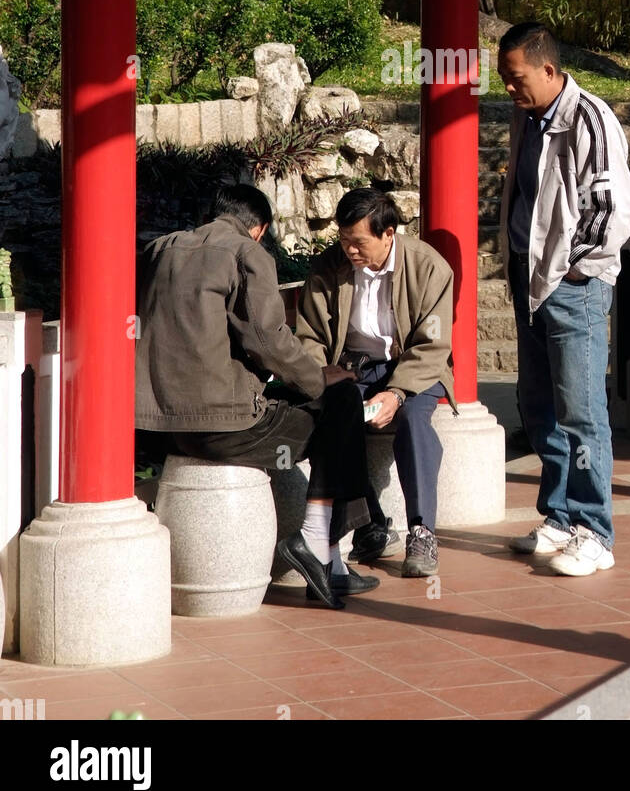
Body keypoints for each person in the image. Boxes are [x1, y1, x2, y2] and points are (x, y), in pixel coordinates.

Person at [135, 183, 375, 609]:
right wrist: (319, 379)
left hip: (158, 427)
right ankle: (318, 543)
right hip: (224, 429)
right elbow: (267, 339)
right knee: (341, 405)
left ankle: (332, 562)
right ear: (259, 228)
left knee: (324, 408)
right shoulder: (247, 253)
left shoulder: (161, 249)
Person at [497, 22, 630, 576]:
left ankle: (594, 530)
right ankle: (557, 516)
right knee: (539, 405)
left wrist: (571, 271)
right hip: (530, 283)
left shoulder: (590, 118)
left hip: (570, 287)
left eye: (516, 77)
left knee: (582, 412)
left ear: (549, 70)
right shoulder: (527, 117)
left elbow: (610, 206)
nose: (509, 87)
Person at [294, 188, 455, 579]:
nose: (350, 251)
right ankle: (370, 522)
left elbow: (432, 345)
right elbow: (310, 336)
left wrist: (396, 393)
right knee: (330, 416)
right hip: (350, 369)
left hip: (413, 368)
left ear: (389, 233)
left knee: (415, 421)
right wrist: (324, 374)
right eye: (344, 240)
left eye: (359, 242)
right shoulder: (328, 267)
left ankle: (422, 531)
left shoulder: (428, 267)